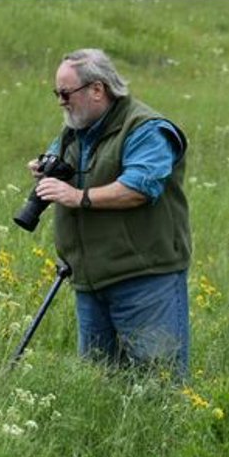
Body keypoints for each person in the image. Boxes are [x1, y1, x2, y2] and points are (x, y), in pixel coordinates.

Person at [29, 48, 191, 379]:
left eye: (65, 93)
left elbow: (139, 187)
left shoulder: (146, 129)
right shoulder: (75, 132)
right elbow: (58, 162)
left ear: (97, 89)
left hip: (145, 280)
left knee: (158, 382)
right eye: (56, 93)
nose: (60, 102)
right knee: (98, 384)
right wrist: (44, 168)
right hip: (90, 281)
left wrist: (79, 197)